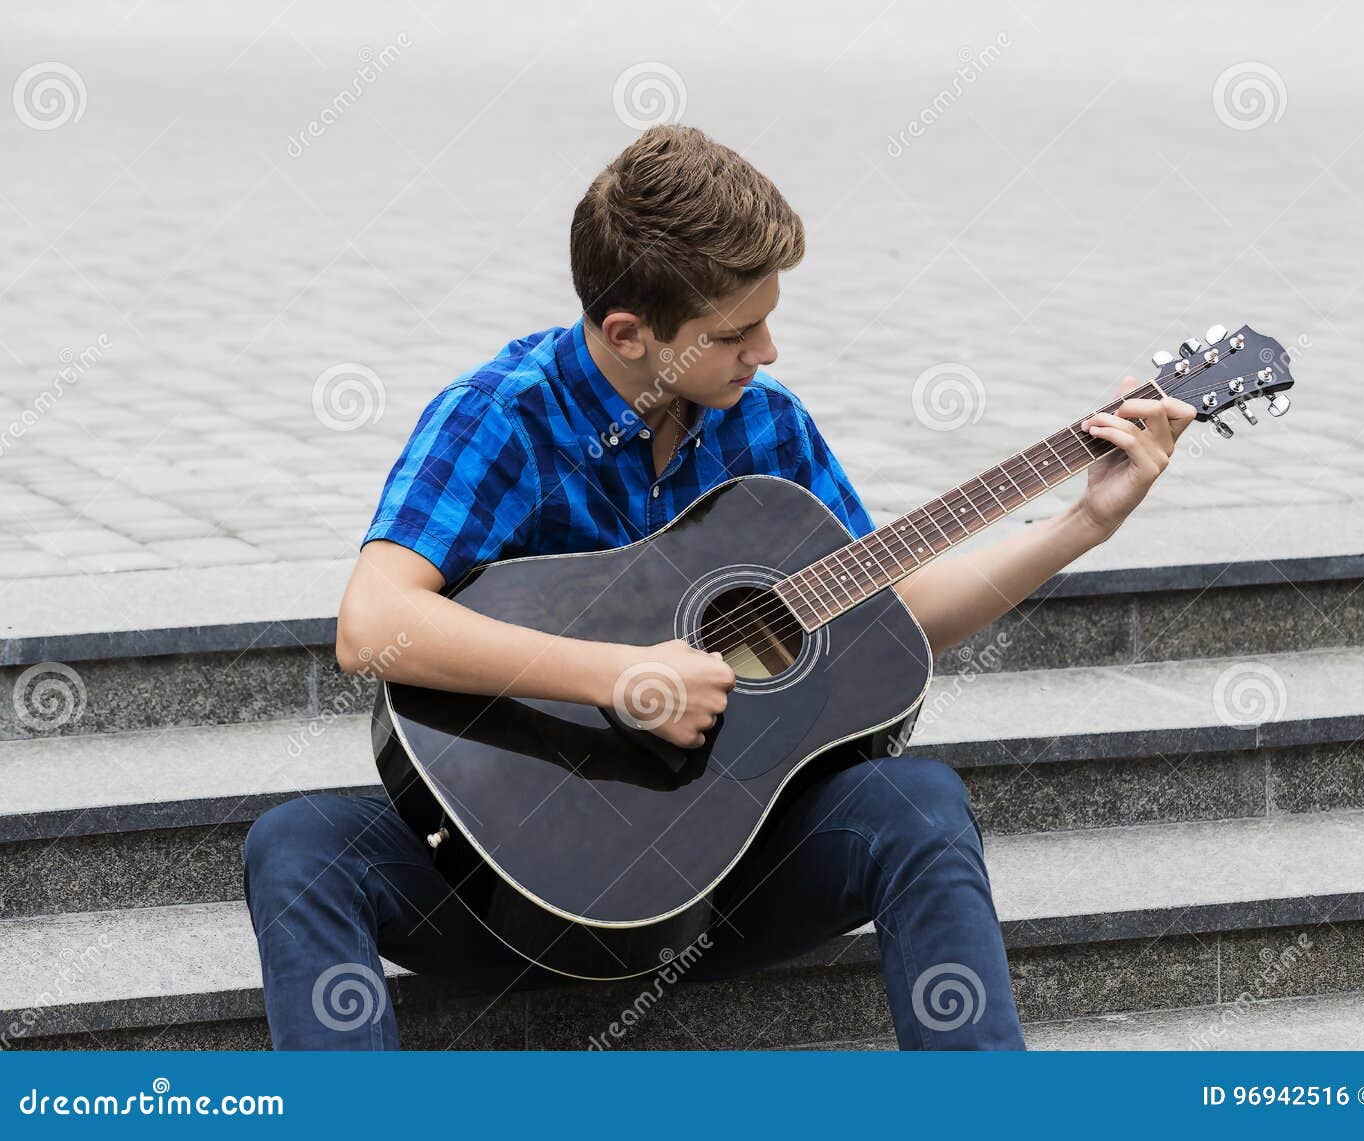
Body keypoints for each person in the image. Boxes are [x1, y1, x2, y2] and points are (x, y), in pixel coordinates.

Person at [243, 124, 1195, 1051]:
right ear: (630, 333)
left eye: (769, 319)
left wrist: (1083, 523)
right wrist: (618, 677)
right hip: (510, 890)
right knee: (296, 849)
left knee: (920, 805)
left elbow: (885, 620)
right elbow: (373, 623)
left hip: (721, 882)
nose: (768, 351)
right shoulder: (501, 418)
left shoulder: (767, 429)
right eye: (736, 332)